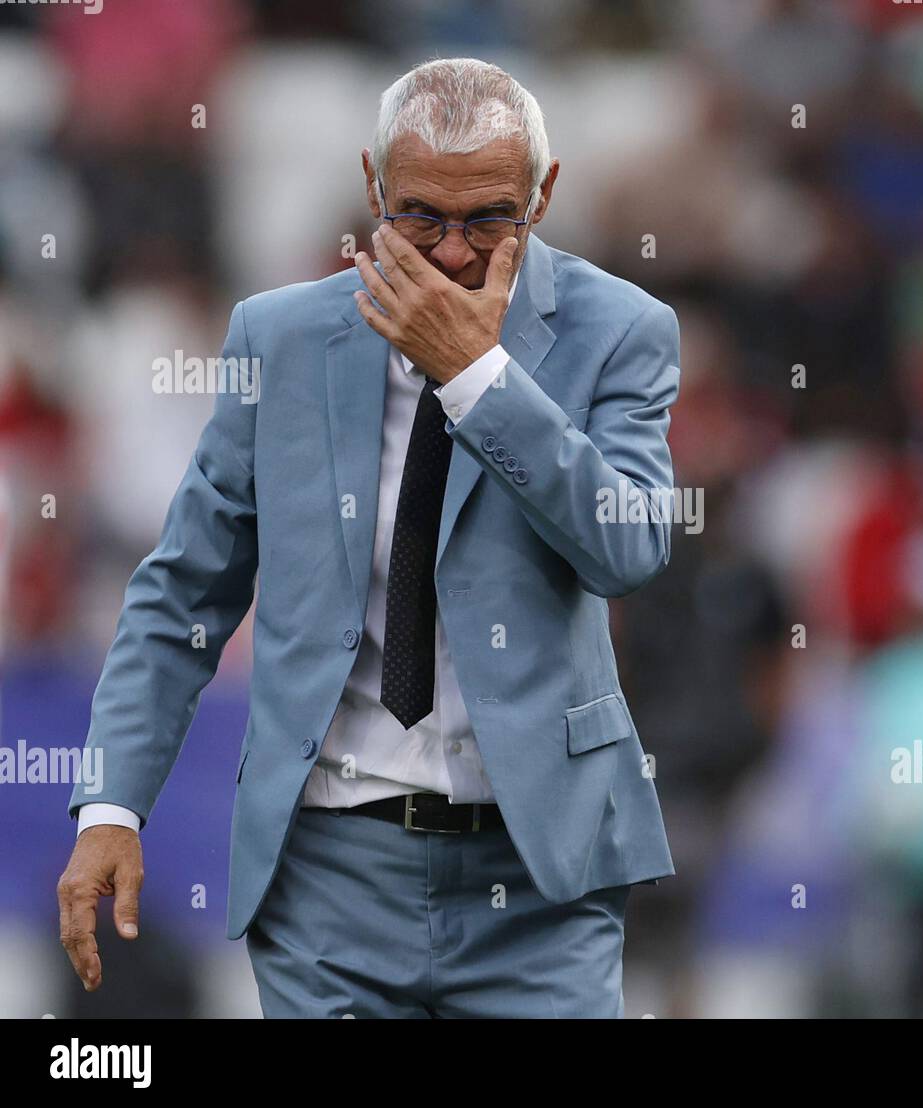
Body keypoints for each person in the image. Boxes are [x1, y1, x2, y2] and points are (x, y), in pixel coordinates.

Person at [57, 57, 679, 1018]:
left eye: (491, 219)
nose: (457, 253)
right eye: (422, 216)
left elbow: (629, 547)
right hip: (328, 876)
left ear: (545, 195)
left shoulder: (622, 331)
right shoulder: (282, 341)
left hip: (541, 880)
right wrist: (110, 806)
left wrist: (478, 378)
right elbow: (183, 592)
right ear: (371, 187)